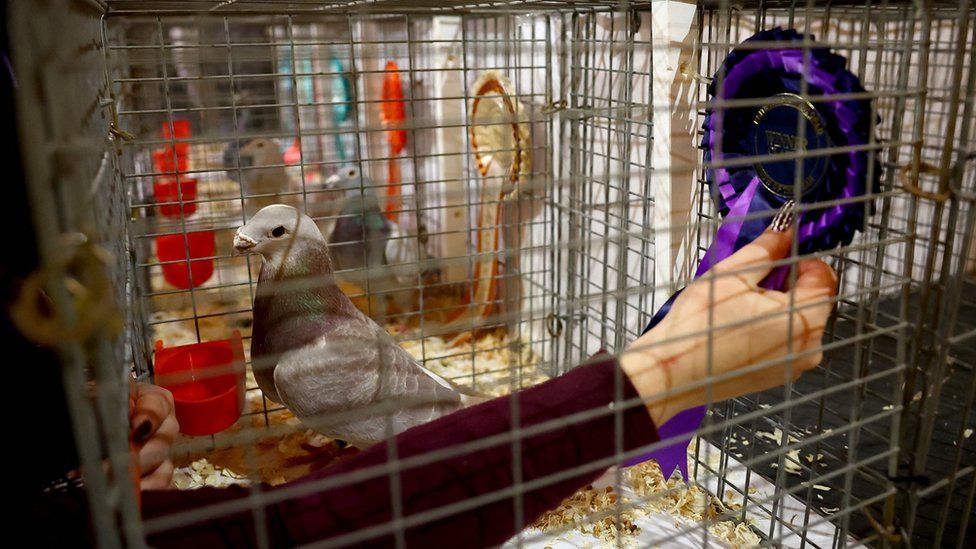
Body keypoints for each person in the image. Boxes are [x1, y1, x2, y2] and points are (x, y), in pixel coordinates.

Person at [123, 213, 834, 548]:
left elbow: (322, 516)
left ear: (300, 248)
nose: (248, 242)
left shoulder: (309, 362)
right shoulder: (293, 354)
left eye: (270, 236)